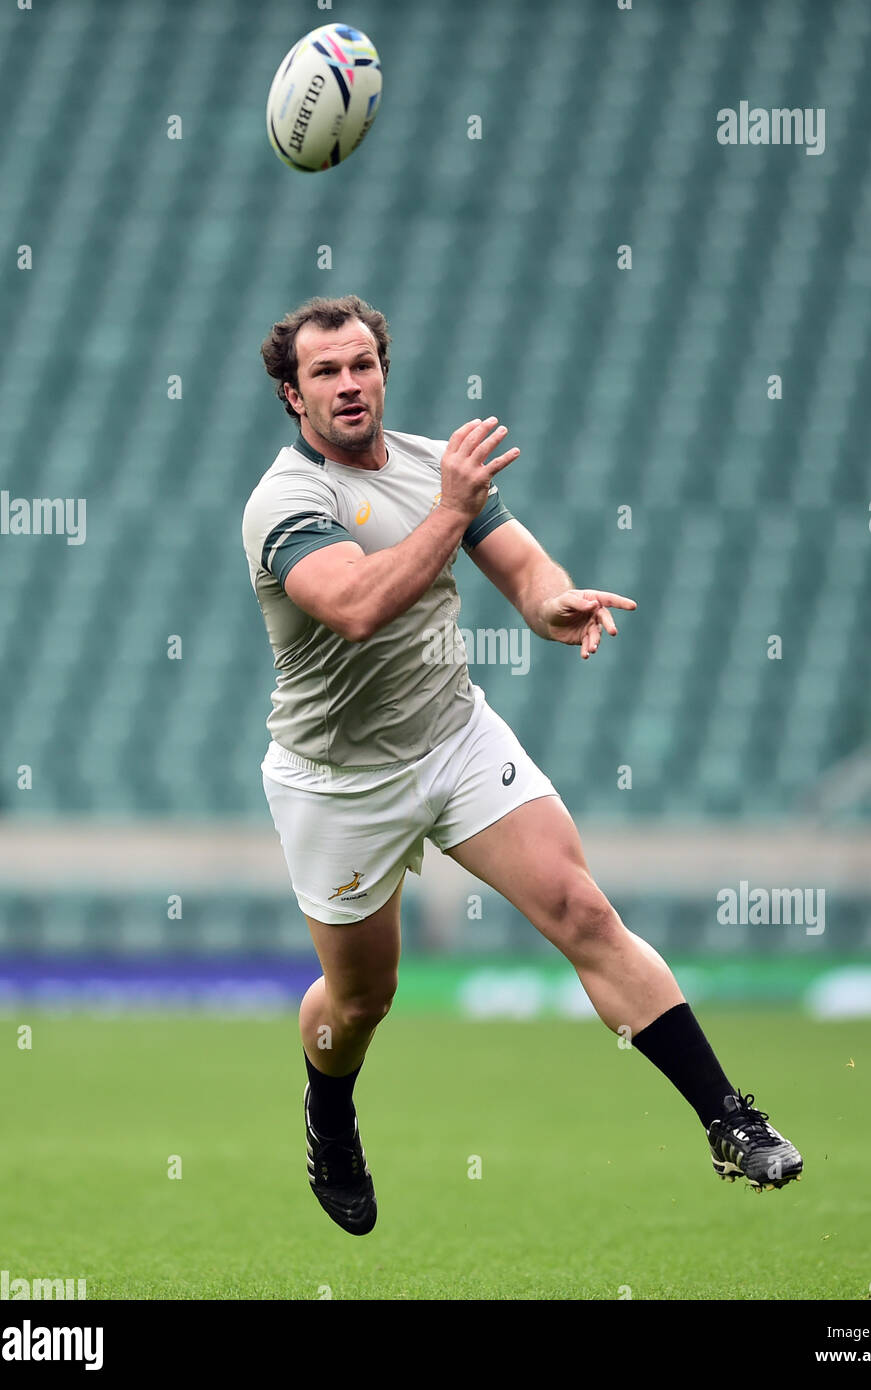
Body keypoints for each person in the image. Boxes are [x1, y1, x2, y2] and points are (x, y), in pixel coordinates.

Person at [243, 294, 802, 1235]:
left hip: (455, 736)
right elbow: (357, 606)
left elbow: (524, 569)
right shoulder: (287, 501)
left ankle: (726, 1118)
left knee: (583, 910)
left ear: (384, 368)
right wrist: (451, 510)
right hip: (337, 779)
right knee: (362, 997)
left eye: (362, 364)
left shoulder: (432, 467)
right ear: (291, 397)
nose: (348, 384)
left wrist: (554, 603)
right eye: (325, 373)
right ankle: (329, 1118)